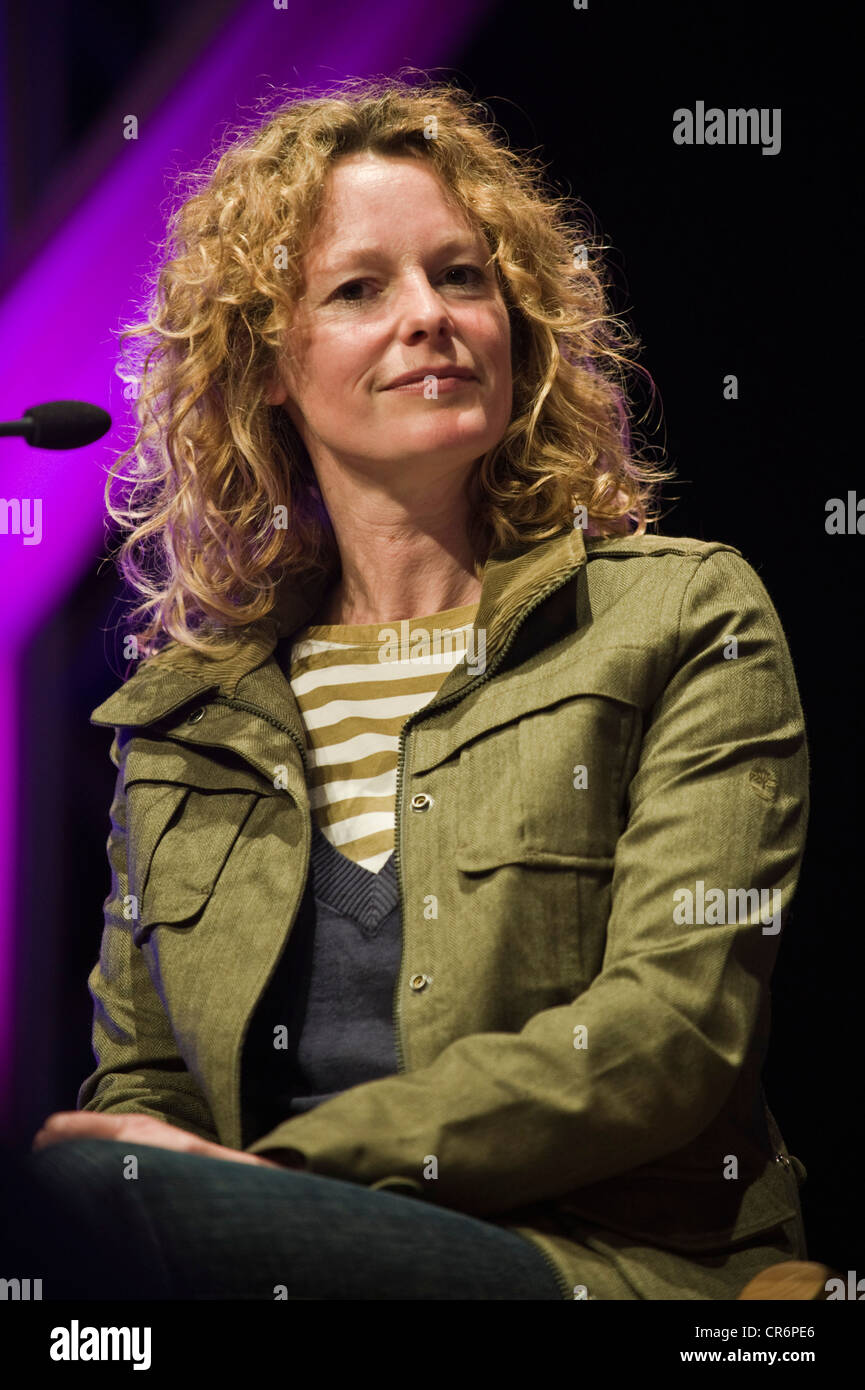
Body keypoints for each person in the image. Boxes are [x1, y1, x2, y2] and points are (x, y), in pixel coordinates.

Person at [20, 74, 809, 1300]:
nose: (429, 317)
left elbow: (666, 1037)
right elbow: (144, 1091)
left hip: (607, 1267)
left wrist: (276, 1179)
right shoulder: (186, 712)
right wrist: (165, 1176)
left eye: (461, 275)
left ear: (517, 321)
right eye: (358, 289)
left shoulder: (678, 614)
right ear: (267, 365)